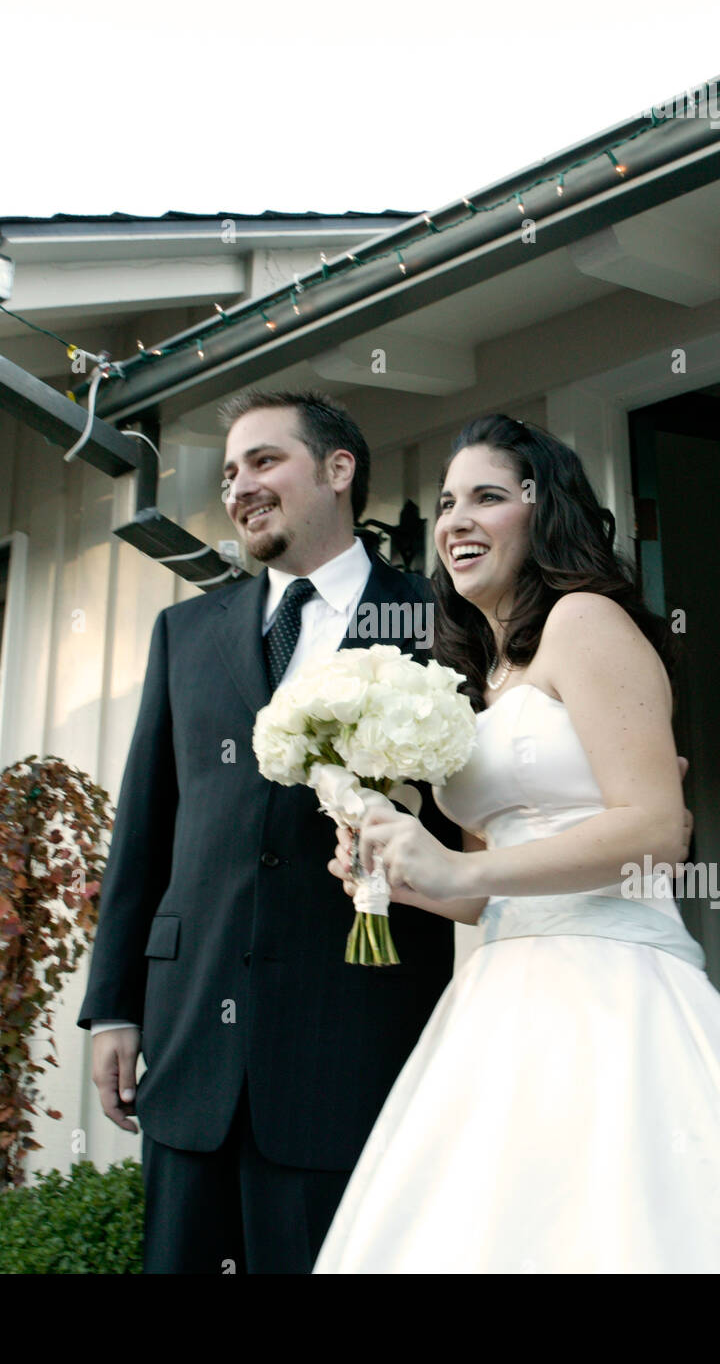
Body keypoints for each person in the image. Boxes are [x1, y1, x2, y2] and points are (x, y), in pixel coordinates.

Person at [313, 414, 720, 1274]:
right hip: (498, 999)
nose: (454, 522)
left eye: (486, 496)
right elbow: (485, 895)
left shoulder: (585, 622)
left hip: (612, 985)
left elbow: (656, 829)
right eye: (445, 504)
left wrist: (459, 863)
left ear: (542, 509)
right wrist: (404, 879)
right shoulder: (481, 678)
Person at [76, 389, 461, 1273]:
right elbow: (145, 832)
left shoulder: (438, 621)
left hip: (353, 1036)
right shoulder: (185, 633)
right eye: (229, 472)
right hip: (188, 1043)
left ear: (337, 470)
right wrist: (115, 1006)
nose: (239, 485)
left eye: (263, 460)